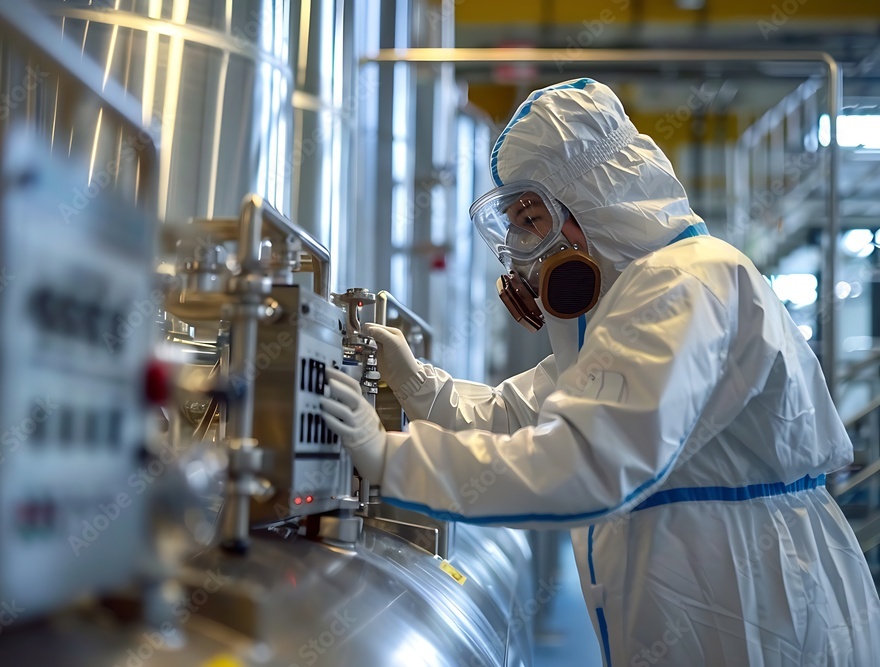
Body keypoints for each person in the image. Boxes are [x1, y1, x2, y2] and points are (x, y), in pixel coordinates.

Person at [320, 78, 880, 666]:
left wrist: (392, 462)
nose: (519, 246)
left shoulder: (685, 284)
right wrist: (415, 385)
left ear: (593, 199)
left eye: (532, 217)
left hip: (760, 607)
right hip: (712, 600)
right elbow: (514, 416)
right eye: (514, 222)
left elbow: (587, 460)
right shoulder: (629, 304)